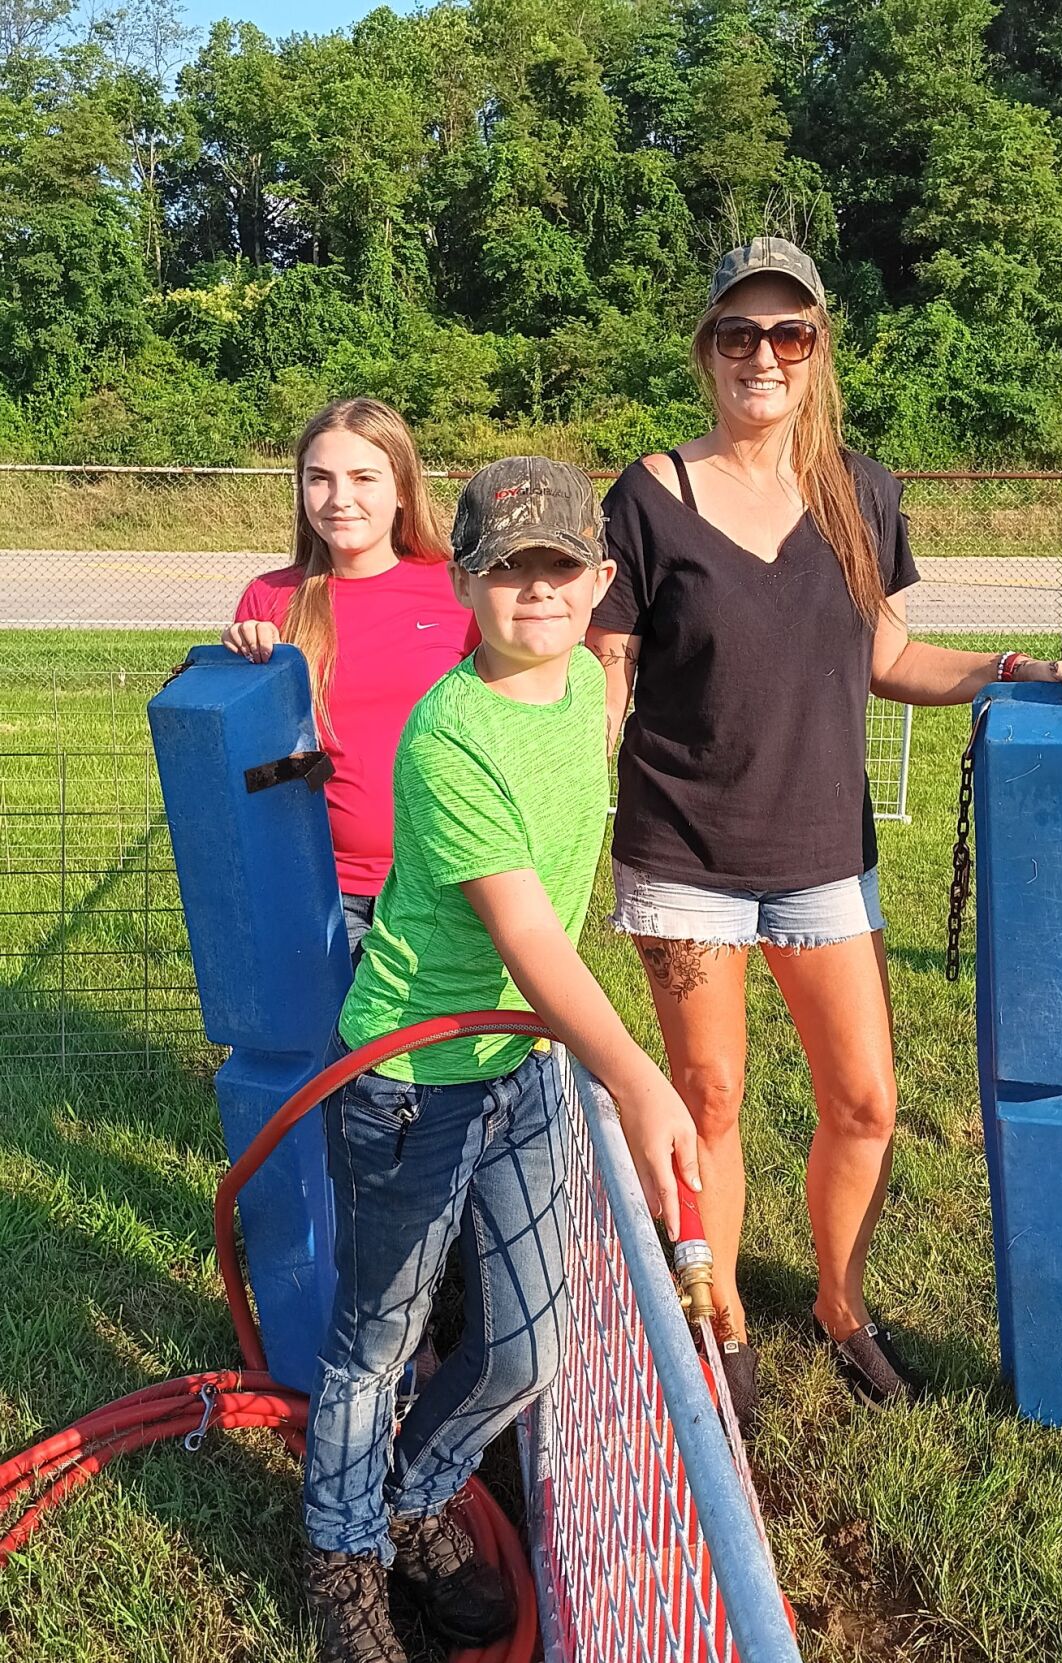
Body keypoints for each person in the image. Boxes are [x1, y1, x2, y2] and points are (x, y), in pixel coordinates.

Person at [586, 236, 1062, 1423]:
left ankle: (840, 1303)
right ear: (704, 351)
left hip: (822, 859)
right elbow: (607, 673)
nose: (761, 356)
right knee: (706, 1101)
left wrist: (1007, 668)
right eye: (737, 335)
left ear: (816, 353)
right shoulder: (647, 493)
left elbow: (889, 658)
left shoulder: (862, 491)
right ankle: (722, 1326)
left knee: (863, 1100)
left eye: (788, 334)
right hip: (683, 859)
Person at [300, 457, 701, 1663]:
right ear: (464, 581)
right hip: (411, 1081)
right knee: (379, 1337)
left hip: (523, 1069)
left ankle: (421, 1497)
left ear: (598, 583)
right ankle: (341, 1550)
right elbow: (528, 939)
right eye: (507, 568)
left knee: (529, 1340)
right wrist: (637, 1074)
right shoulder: (445, 739)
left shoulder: (586, 682)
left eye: (559, 568)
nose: (537, 591)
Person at [223, 398, 477, 959]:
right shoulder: (271, 601)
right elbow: (252, 775)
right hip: (325, 888)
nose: (340, 499)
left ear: (402, 487)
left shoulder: (459, 589)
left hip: (450, 880)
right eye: (320, 479)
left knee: (455, 1043)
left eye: (364, 477)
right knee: (355, 1044)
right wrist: (235, 674)